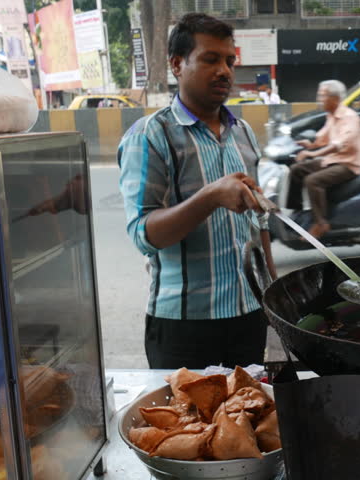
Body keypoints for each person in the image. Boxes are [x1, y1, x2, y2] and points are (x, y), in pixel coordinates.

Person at [118, 13, 269, 369]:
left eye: (229, 61)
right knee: (188, 425)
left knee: (245, 421)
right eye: (210, 59)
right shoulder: (151, 135)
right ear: (177, 64)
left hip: (248, 315)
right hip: (183, 327)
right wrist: (211, 197)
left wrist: (272, 293)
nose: (225, 71)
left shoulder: (243, 133)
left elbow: (259, 225)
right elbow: (143, 233)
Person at [289, 79, 360, 238]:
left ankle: (321, 223)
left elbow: (338, 144)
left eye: (322, 96)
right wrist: (310, 145)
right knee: (296, 169)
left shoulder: (349, 117)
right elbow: (323, 137)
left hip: (348, 164)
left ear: (335, 98)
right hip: (332, 160)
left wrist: (313, 154)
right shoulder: (331, 116)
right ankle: (297, 212)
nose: (319, 100)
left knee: (313, 181)